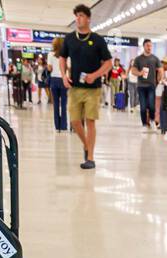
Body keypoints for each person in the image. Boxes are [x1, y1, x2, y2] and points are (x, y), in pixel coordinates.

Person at [59, 3, 112, 169]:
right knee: (75, 121)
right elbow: (62, 58)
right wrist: (63, 76)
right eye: (77, 16)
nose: (78, 19)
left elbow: (109, 63)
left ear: (88, 19)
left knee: (90, 122)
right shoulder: (69, 39)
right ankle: (87, 145)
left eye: (81, 16)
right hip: (75, 88)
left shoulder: (97, 40)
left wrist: (95, 75)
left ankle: (90, 158)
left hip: (93, 89)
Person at [131, 39, 161, 132]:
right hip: (141, 86)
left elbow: (160, 69)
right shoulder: (138, 59)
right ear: (144, 46)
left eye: (150, 46)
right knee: (143, 106)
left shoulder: (155, 58)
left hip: (151, 85)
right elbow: (133, 70)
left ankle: (152, 121)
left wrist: (160, 79)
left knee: (151, 105)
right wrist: (139, 73)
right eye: (148, 45)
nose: (149, 47)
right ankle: (144, 124)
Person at [49, 38, 68, 131]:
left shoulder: (50, 54)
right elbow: (68, 67)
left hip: (54, 80)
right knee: (64, 104)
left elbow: (49, 68)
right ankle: (64, 126)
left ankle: (57, 126)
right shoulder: (66, 55)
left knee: (56, 104)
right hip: (63, 79)